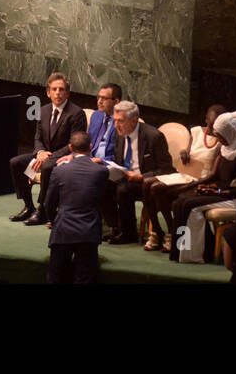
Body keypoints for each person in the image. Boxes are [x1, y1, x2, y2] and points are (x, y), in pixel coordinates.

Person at [168, 110, 236, 263]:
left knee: (190, 207)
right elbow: (214, 175)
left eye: (221, 135)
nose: (219, 139)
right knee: (179, 203)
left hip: (234, 197)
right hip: (219, 192)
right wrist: (191, 186)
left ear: (231, 133)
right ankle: (179, 251)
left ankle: (197, 254)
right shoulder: (226, 148)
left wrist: (220, 191)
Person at [142, 103, 225, 252]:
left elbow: (215, 173)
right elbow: (187, 152)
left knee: (157, 188)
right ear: (205, 119)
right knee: (146, 183)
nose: (211, 128)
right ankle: (157, 231)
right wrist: (184, 153)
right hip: (185, 174)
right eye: (209, 123)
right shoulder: (196, 132)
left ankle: (171, 231)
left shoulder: (223, 140)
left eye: (215, 125)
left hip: (200, 180)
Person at [8, 72, 86, 226]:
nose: (58, 93)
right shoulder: (43, 111)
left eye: (61, 89)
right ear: (48, 93)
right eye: (54, 89)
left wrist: (49, 156)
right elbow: (38, 138)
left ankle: (43, 210)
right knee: (15, 162)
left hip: (64, 157)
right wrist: (40, 152)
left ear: (67, 93)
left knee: (47, 165)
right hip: (43, 155)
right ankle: (28, 206)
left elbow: (74, 144)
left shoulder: (77, 114)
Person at [44, 131, 109, 284]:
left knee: (56, 278)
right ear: (91, 147)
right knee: (84, 279)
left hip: (63, 230)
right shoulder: (101, 171)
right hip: (88, 232)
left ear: (70, 148)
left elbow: (49, 203)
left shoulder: (60, 170)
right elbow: (100, 199)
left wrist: (54, 222)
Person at [106, 100, 174, 245]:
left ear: (134, 120)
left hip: (146, 181)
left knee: (123, 190)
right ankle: (116, 227)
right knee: (98, 183)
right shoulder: (119, 133)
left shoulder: (154, 137)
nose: (116, 125)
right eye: (115, 120)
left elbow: (166, 169)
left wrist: (141, 177)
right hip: (125, 176)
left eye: (121, 121)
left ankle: (129, 234)